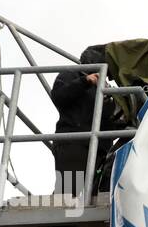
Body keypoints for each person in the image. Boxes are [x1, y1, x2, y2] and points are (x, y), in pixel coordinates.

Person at [49, 43, 122, 198]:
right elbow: (59, 96)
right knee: (68, 195)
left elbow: (110, 120)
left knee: (90, 195)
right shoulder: (71, 75)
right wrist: (85, 82)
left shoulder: (106, 88)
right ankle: (59, 222)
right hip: (74, 143)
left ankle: (69, 220)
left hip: (99, 149)